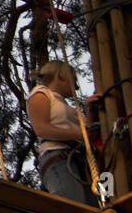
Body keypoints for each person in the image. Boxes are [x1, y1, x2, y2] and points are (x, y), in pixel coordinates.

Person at [27, 61, 102, 205]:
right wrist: (80, 134)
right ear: (61, 75)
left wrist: (89, 111)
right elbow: (41, 129)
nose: (77, 86)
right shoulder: (41, 93)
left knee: (93, 211)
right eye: (73, 80)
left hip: (78, 161)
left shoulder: (64, 105)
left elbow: (84, 133)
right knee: (75, 207)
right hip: (58, 158)